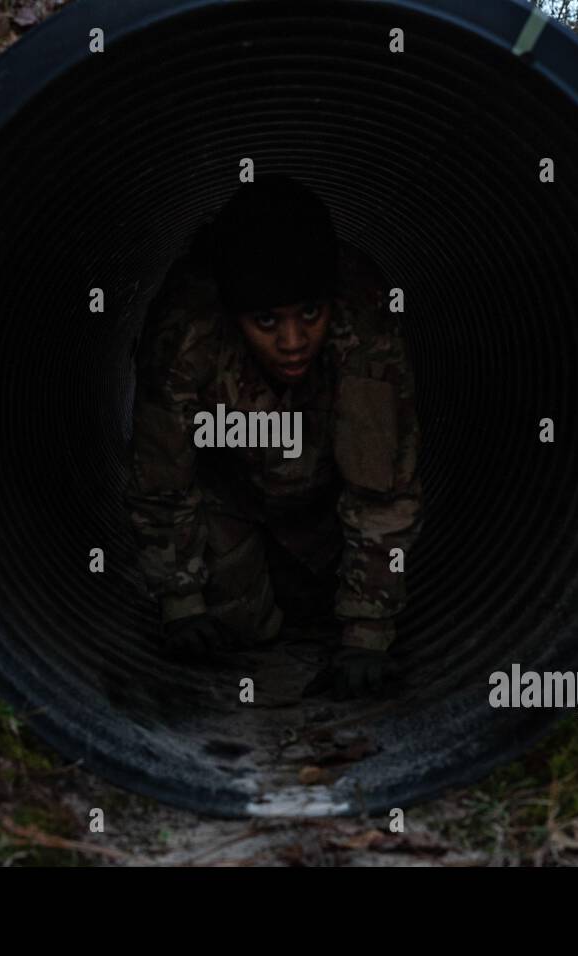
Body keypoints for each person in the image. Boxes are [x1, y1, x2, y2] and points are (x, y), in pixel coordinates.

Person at [125, 174, 422, 699]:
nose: (292, 342)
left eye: (310, 314)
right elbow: (163, 475)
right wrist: (180, 603)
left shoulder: (362, 324)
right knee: (238, 630)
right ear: (235, 315)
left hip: (326, 500)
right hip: (229, 500)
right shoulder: (187, 334)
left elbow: (381, 485)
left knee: (326, 614)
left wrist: (367, 633)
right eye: (266, 321)